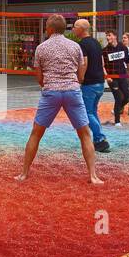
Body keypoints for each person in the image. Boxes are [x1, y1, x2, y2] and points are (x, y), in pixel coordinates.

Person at [17, 15, 102, 184]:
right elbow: (80, 73)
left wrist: (47, 84)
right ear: (65, 29)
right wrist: (73, 82)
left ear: (49, 29)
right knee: (85, 134)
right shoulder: (75, 46)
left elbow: (39, 76)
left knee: (36, 133)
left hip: (51, 92)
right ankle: (93, 176)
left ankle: (24, 174)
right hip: (72, 91)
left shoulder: (41, 48)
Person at [73, 19, 110, 153]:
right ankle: (97, 139)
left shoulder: (82, 44)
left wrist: (80, 79)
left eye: (75, 27)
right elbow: (101, 62)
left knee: (88, 113)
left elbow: (84, 63)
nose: (73, 29)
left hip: (90, 83)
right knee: (92, 112)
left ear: (81, 29)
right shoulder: (95, 42)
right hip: (99, 82)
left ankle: (100, 139)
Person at [103, 30, 129, 126]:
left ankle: (116, 108)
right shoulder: (105, 50)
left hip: (122, 76)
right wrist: (107, 77)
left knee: (128, 97)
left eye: (109, 35)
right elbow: (103, 65)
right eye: (106, 36)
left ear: (115, 36)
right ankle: (117, 121)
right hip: (112, 78)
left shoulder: (123, 48)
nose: (107, 37)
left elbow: (127, 62)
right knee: (119, 98)